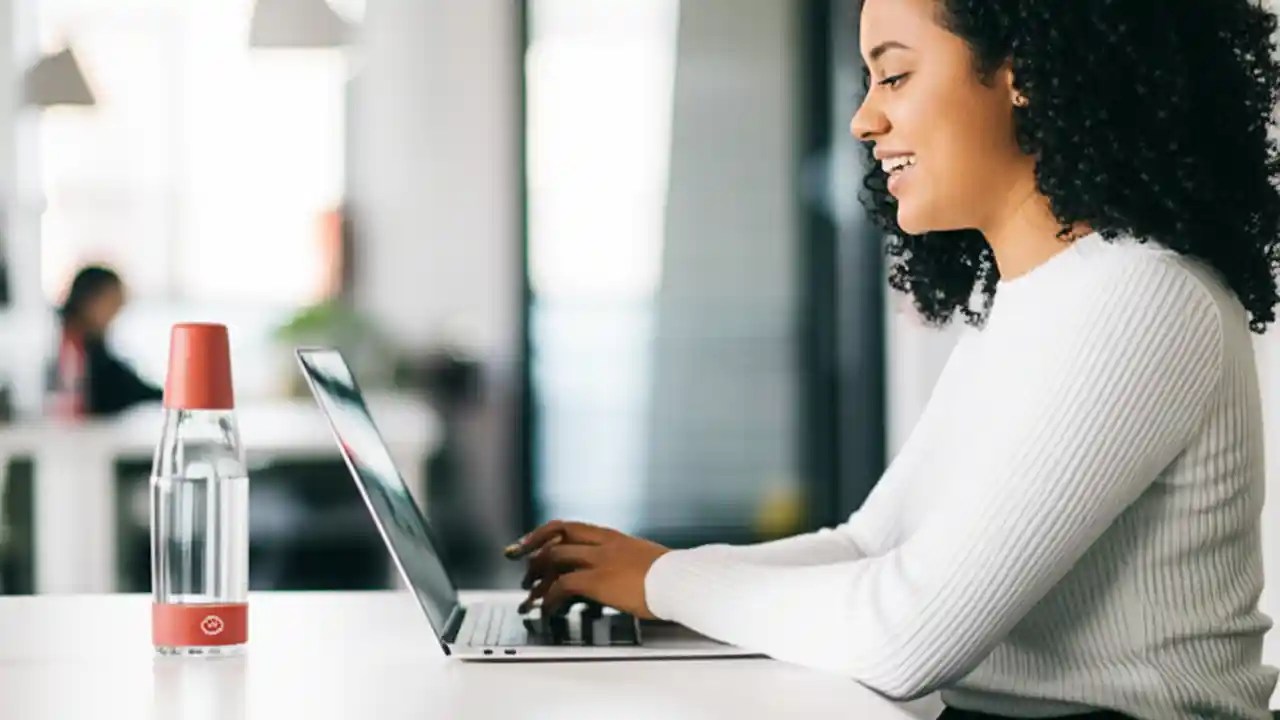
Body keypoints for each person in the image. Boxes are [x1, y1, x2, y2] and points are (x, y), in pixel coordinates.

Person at [505, 1, 1280, 718]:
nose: (863, 119)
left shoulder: (1140, 297)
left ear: (1029, 75)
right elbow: (871, 546)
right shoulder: (1035, 294)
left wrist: (664, 582)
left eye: (896, 75)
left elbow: (907, 635)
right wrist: (653, 577)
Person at [50, 265, 162, 418]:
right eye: (113, 301)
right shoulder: (59, 341)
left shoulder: (90, 347)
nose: (117, 311)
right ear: (90, 300)